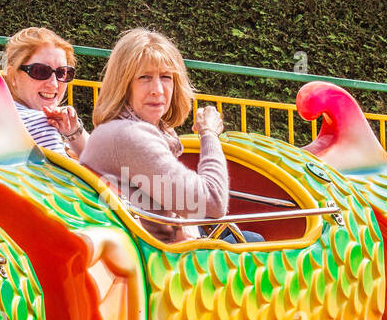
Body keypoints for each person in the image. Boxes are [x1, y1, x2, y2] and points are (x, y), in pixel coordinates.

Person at [82, 28, 259, 244]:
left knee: (249, 237)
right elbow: (212, 202)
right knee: (261, 244)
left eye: (165, 77)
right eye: (144, 77)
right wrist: (209, 134)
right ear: (123, 85)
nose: (157, 89)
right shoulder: (130, 135)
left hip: (150, 247)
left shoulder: (121, 129)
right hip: (155, 259)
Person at [4, 26, 88, 156]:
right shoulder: (38, 123)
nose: (53, 84)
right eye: (40, 71)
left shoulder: (0, 115)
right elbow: (110, 169)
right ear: (13, 75)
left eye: (62, 73)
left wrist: (73, 130)